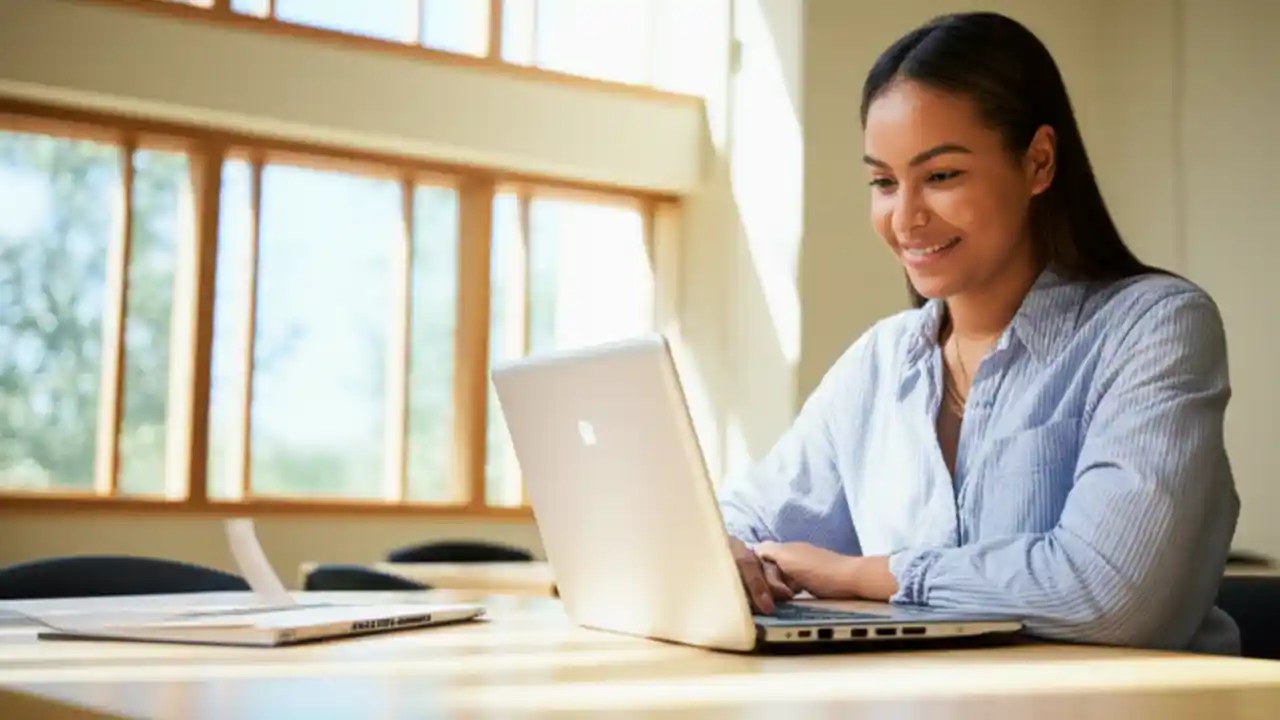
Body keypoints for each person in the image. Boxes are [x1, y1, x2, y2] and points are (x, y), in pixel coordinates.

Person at [717, 11, 1240, 654]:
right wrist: (729, 554)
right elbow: (740, 521)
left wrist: (865, 576)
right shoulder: (879, 362)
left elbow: (1112, 593)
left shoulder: (1155, 327)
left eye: (941, 176)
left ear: (1039, 162)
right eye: (884, 182)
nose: (904, 218)